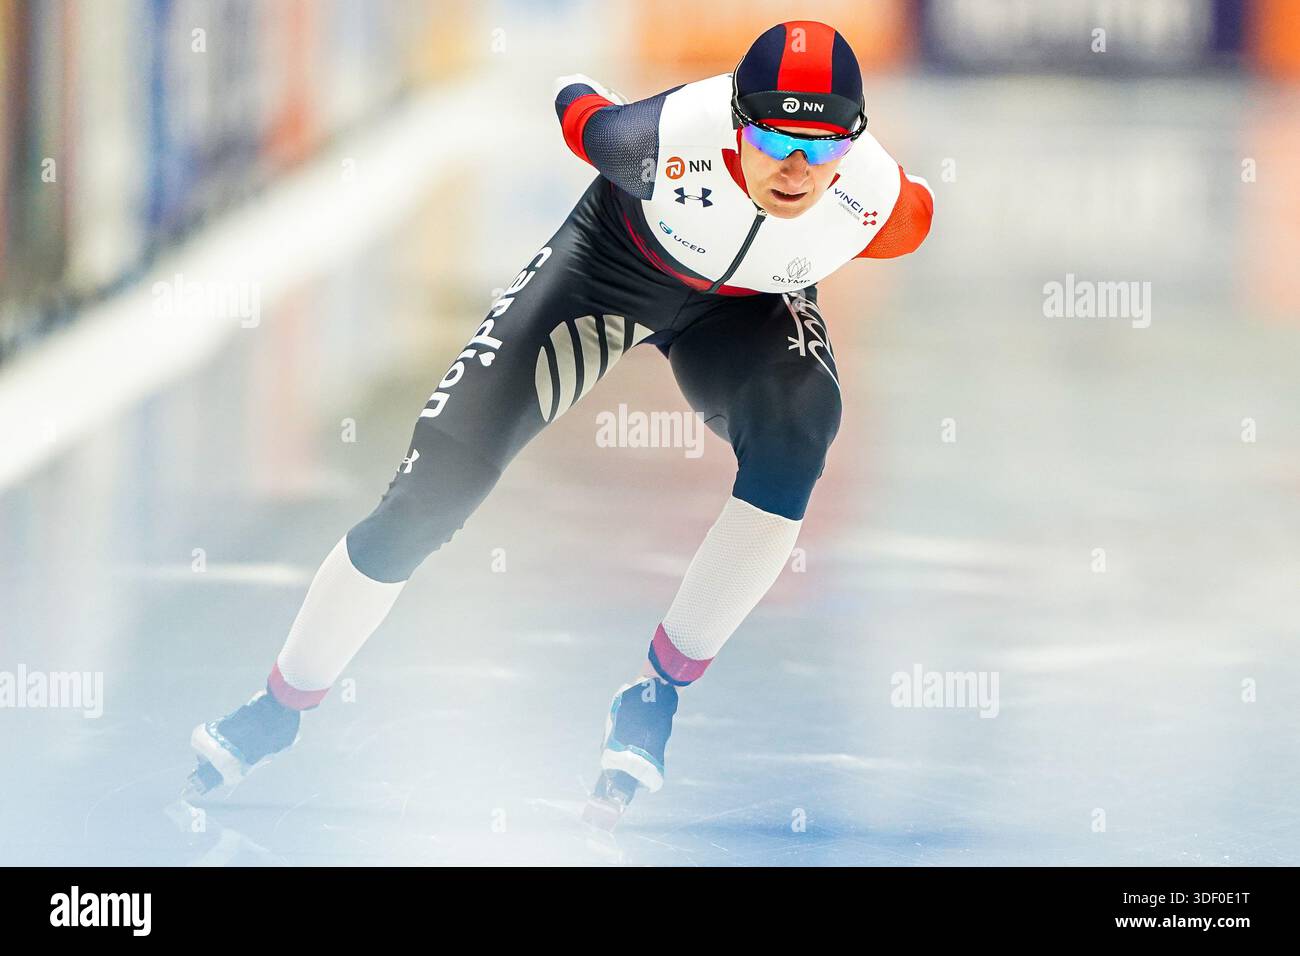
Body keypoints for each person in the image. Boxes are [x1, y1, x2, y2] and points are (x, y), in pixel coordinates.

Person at [186, 20, 934, 827]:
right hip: (609, 273)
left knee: (798, 435)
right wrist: (575, 91)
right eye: (778, 139)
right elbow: (578, 107)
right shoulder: (657, 138)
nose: (797, 168)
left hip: (747, 312)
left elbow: (909, 206)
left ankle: (655, 695)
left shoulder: (884, 204)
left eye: (822, 149)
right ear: (733, 123)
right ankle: (279, 706)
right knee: (433, 488)